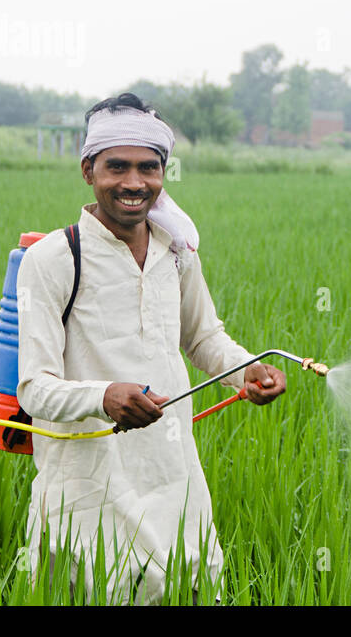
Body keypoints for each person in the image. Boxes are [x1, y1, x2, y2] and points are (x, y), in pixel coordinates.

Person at [16, 92, 286, 604]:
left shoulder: (176, 253)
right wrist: (105, 397)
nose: (133, 182)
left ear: (163, 173)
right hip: (88, 478)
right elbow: (34, 388)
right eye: (116, 166)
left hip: (171, 469)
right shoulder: (53, 259)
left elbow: (203, 337)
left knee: (190, 586)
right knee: (96, 589)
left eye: (149, 167)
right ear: (87, 170)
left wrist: (246, 371)